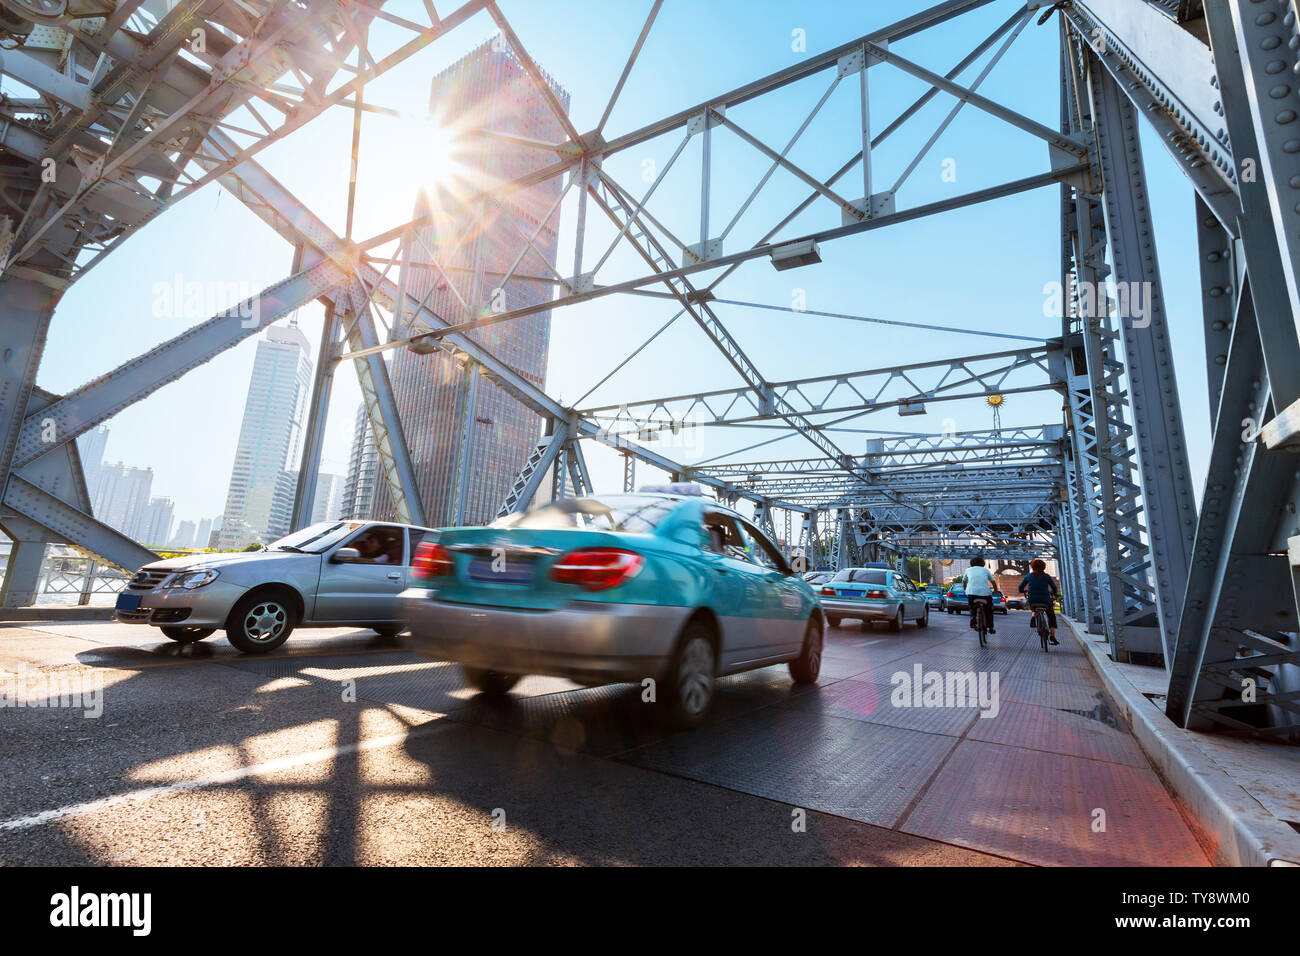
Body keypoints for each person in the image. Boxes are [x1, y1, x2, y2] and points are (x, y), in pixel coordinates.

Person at [1019, 559, 1060, 645]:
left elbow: (1020, 588)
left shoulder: (1028, 576)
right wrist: (1051, 593)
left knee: (1034, 607)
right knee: (1051, 615)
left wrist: (1023, 590)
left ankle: (1034, 617)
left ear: (1032, 567)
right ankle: (1053, 635)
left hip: (1033, 600)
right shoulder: (1047, 577)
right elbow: (1055, 589)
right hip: (1045, 600)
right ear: (1044, 567)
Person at [962, 557, 997, 635]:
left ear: (972, 563)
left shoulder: (968, 570)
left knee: (972, 608)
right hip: (985, 593)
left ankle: (973, 622)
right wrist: (995, 590)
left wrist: (965, 589)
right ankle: (991, 627)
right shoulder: (985, 570)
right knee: (989, 610)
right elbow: (993, 582)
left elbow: (964, 581)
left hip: (971, 593)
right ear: (983, 563)